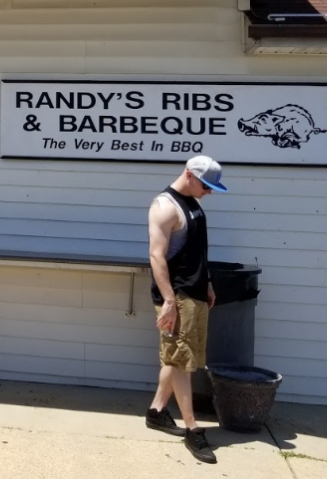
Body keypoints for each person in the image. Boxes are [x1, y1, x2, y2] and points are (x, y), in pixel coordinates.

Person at [145, 155, 226, 465]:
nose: (209, 192)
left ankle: (156, 412)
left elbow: (197, 249)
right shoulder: (165, 206)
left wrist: (206, 282)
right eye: (206, 186)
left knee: (179, 356)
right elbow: (156, 256)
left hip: (195, 293)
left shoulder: (193, 201)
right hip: (177, 297)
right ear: (190, 174)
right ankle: (192, 427)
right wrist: (168, 301)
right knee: (183, 362)